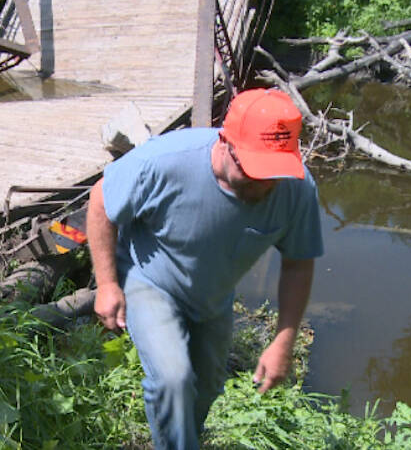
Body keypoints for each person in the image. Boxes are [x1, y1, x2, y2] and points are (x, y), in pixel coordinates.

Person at [86, 88, 324, 449]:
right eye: (254, 169)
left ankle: (183, 438)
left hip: (212, 297)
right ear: (225, 143)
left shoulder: (297, 190)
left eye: (274, 171)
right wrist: (107, 285)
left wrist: (283, 340)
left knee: (207, 387)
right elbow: (101, 201)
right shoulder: (166, 161)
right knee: (172, 378)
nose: (266, 183)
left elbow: (298, 264)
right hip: (150, 277)